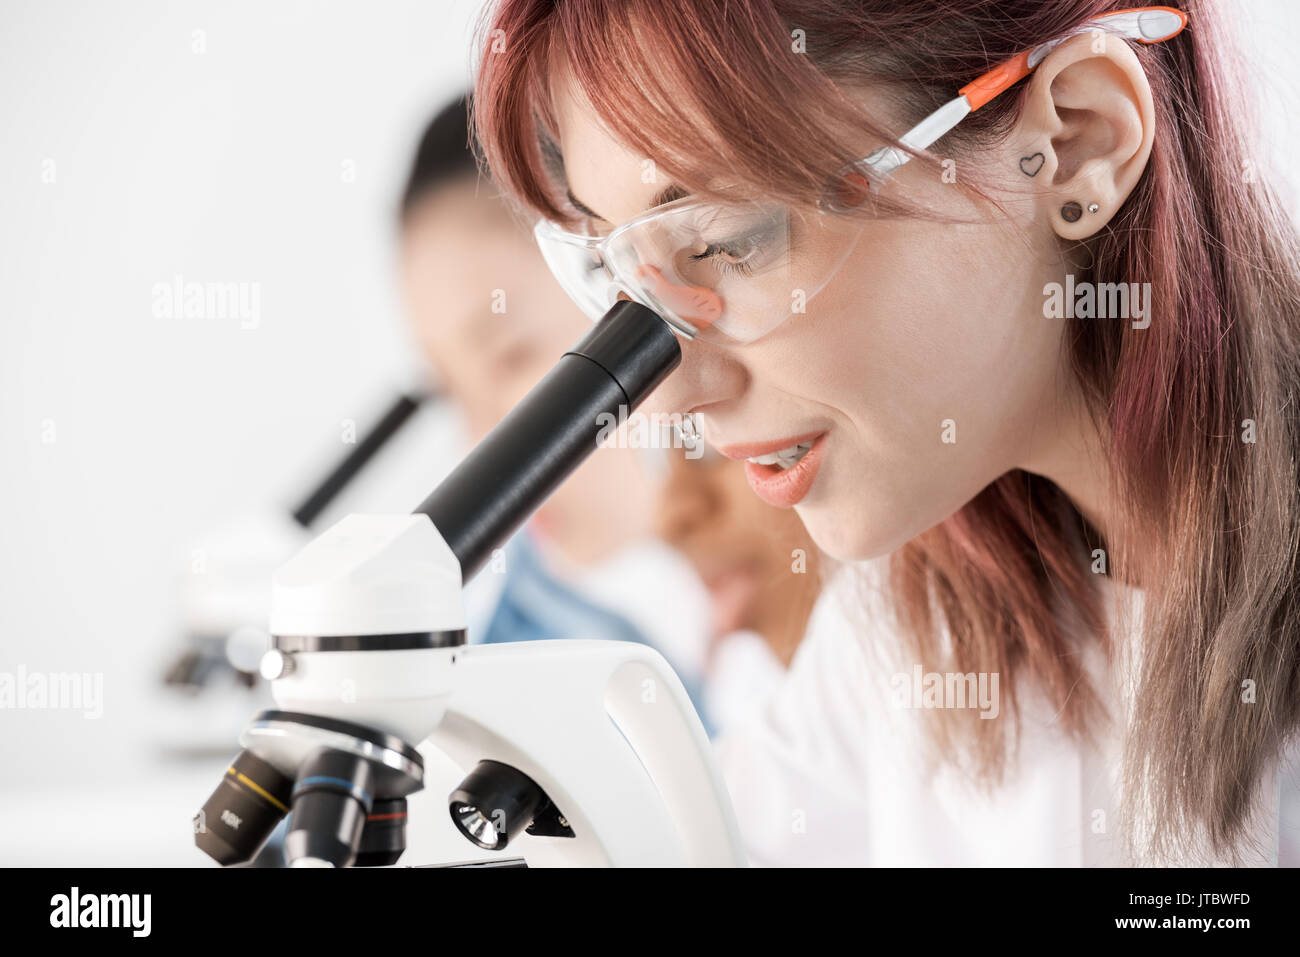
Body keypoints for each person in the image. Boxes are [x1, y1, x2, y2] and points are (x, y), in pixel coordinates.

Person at [470, 1, 1300, 865]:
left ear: (1074, 144)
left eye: (724, 240)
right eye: (610, 266)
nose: (672, 397)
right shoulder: (918, 626)